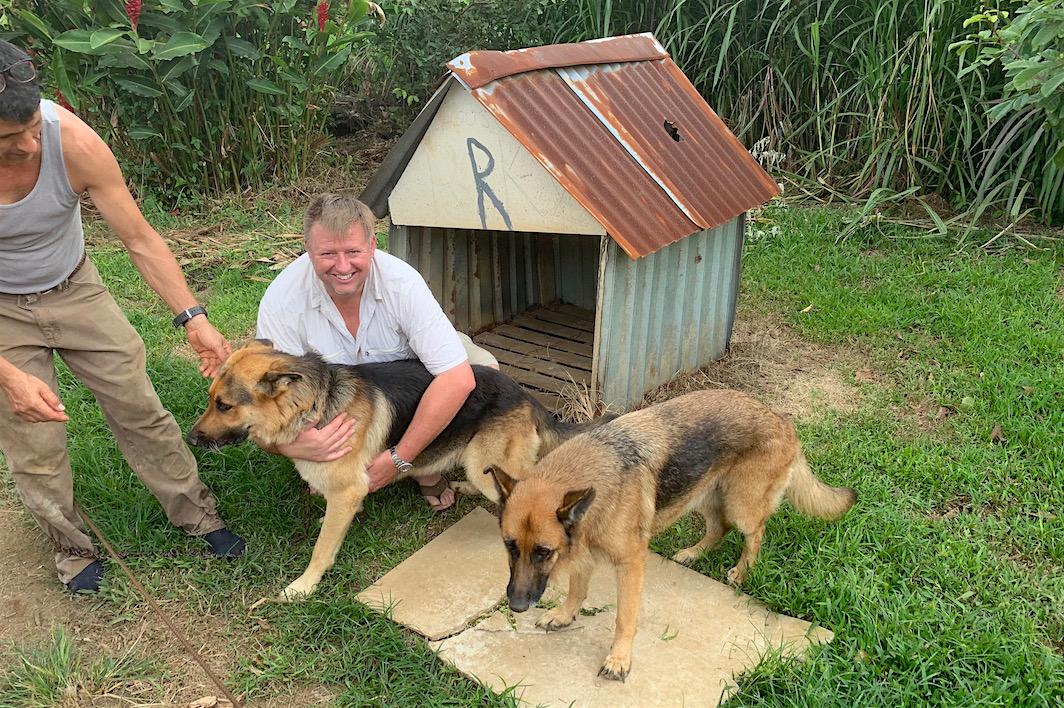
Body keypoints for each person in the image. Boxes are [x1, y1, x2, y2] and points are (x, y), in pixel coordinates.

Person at [0, 41, 246, 593]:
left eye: (32, 125)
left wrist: (193, 317)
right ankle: (70, 547)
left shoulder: (76, 144)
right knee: (32, 441)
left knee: (139, 406)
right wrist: (8, 374)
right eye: (8, 138)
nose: (29, 143)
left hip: (75, 287)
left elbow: (138, 237)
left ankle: (196, 512)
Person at [257, 193, 499, 511]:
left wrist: (401, 458)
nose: (342, 267)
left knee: (486, 375)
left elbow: (456, 378)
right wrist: (298, 447)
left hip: (406, 376)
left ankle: (426, 466)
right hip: (339, 396)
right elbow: (262, 402)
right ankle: (332, 465)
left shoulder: (402, 282)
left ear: (372, 246)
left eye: (353, 252)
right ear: (308, 249)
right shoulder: (281, 299)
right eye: (328, 253)